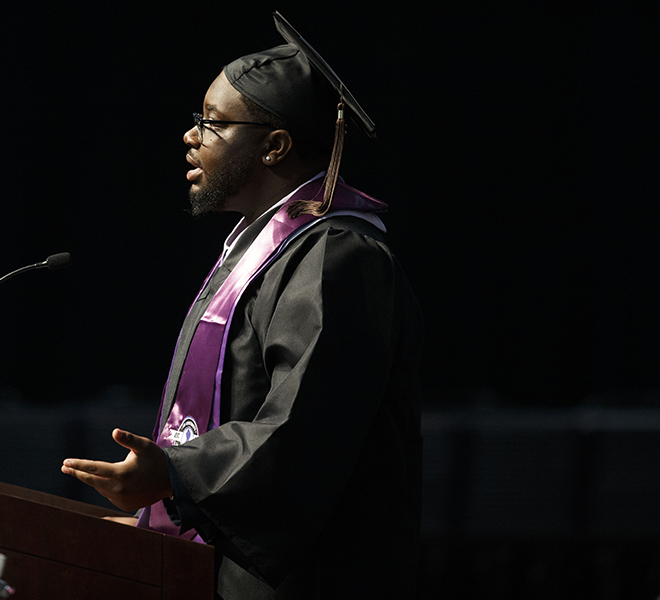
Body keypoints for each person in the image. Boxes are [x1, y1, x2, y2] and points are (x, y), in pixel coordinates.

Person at [62, 13, 424, 599]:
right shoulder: (260, 252)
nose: (191, 136)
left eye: (213, 122)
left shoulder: (339, 257)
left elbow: (307, 428)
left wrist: (176, 473)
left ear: (274, 146)